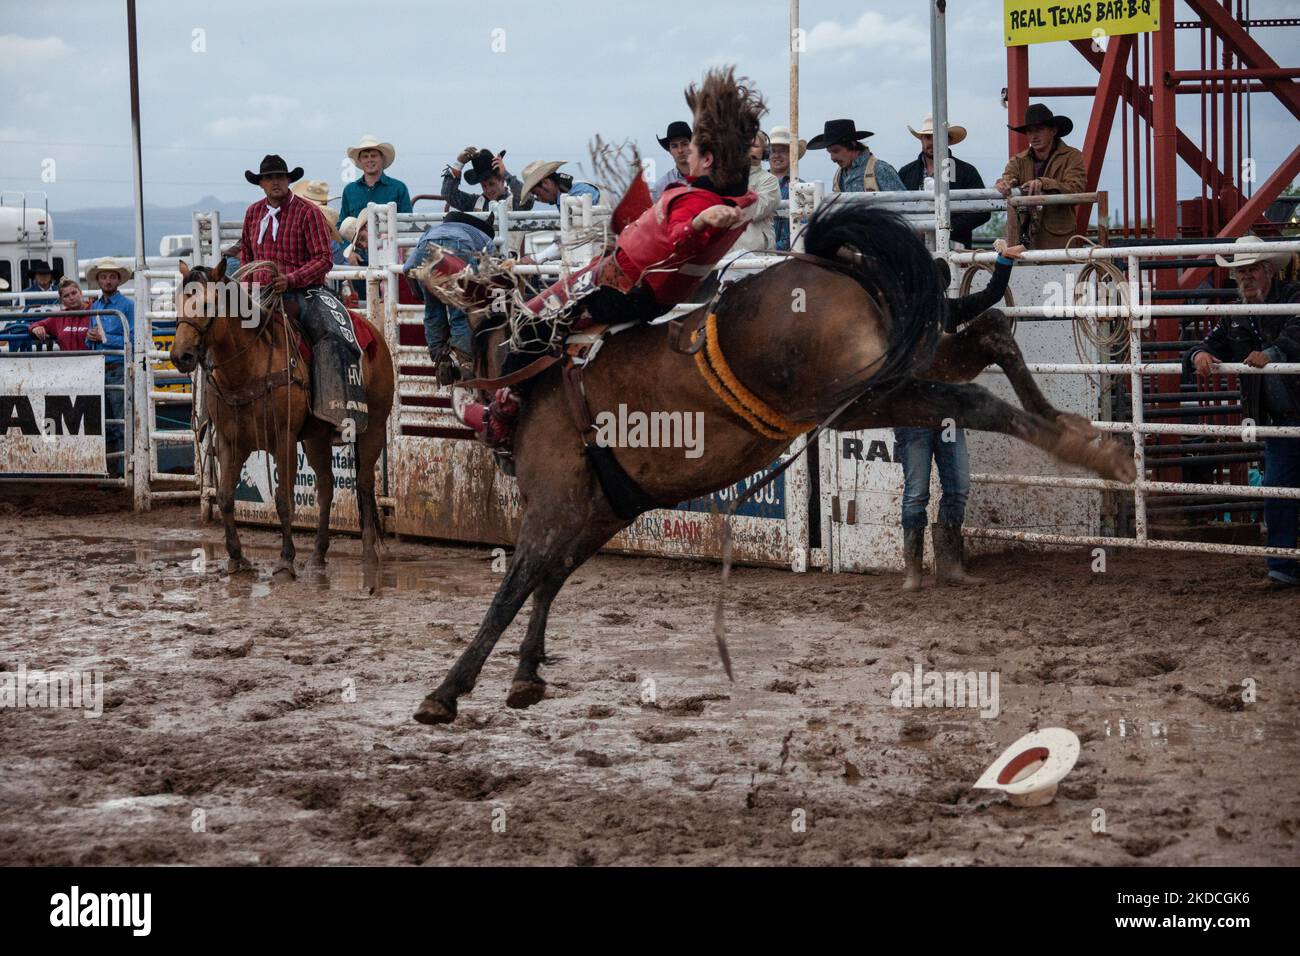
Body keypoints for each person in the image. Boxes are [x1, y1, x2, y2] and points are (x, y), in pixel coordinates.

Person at [454, 68, 765, 461]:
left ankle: (499, 419)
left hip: (621, 286)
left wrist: (703, 222)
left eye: (694, 149)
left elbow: (683, 233)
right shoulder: (740, 197)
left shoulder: (697, 203)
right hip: (637, 283)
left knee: (531, 323)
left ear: (707, 159)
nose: (685, 154)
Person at [896, 238, 1024, 590]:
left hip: (925, 414)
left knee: (926, 490)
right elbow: (990, 295)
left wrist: (1003, 261)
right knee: (943, 489)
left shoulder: (905, 317)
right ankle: (939, 568)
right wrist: (1002, 261)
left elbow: (990, 296)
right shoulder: (938, 312)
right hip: (933, 414)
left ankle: (920, 572)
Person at [1188, 237, 1300, 588]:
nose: (1245, 278)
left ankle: (1283, 567)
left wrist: (1273, 352)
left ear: (1268, 271)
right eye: (1239, 272)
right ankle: (1282, 568)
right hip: (1279, 419)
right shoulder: (1237, 315)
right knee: (1277, 489)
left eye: (1251, 270)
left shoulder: (1293, 297)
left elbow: (1297, 333)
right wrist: (1198, 355)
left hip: (1282, 413)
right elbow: (1210, 341)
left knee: (1279, 488)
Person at [238, 153, 367, 431]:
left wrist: (292, 279)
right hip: (259, 294)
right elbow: (246, 256)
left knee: (328, 334)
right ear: (261, 184)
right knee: (221, 334)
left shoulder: (308, 213)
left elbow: (323, 258)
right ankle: (222, 414)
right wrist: (247, 286)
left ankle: (335, 410)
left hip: (302, 293)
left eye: (280, 177)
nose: (275, 182)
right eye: (269, 178)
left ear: (288, 181)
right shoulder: (253, 213)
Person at [402, 209, 496, 384]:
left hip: (426, 252)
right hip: (459, 249)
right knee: (461, 310)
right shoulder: (482, 236)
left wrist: (418, 290)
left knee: (433, 311)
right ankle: (466, 361)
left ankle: (440, 358)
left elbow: (408, 266)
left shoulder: (432, 231)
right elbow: (489, 263)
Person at [994, 104, 1086, 250]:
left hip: (1058, 243)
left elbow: (1077, 189)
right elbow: (1007, 178)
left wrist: (1044, 183)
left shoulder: (1072, 157)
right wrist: (1002, 184)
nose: (1033, 136)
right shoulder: (1018, 161)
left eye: (1039, 130)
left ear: (1053, 131)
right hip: (1023, 240)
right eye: (1029, 131)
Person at [897, 115, 990, 248]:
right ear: (921, 140)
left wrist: (947, 228)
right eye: (927, 137)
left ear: (948, 140)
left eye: (937, 137)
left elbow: (983, 212)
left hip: (955, 246)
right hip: (915, 247)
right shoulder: (906, 172)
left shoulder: (966, 171)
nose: (932, 142)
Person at [83, 257, 136, 476]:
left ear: (118, 281)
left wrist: (104, 338)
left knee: (121, 422)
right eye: (104, 277)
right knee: (108, 424)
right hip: (101, 369)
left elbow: (132, 338)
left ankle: (124, 471)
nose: (107, 280)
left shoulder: (127, 306)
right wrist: (90, 337)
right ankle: (113, 470)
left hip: (117, 368)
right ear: (99, 280)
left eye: (111, 277)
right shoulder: (95, 307)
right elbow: (90, 341)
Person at [337, 134, 412, 263]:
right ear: (360, 161)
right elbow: (341, 226)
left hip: (391, 254)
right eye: (365, 156)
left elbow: (408, 224)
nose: (369, 160)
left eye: (373, 156)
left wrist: (401, 253)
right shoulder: (349, 190)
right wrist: (348, 253)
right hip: (358, 255)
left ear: (382, 158)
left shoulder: (399, 188)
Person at [807, 118, 905, 193]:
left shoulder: (880, 170)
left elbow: (903, 206)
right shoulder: (839, 176)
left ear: (852, 144)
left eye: (836, 151)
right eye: (830, 152)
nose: (833, 158)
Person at [731, 131, 780, 254]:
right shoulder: (725, 178)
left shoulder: (769, 180)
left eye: (754, 146)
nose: (748, 149)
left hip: (757, 255)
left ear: (764, 152)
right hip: (726, 254)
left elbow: (755, 212)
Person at [442, 147, 528, 214]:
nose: (488, 190)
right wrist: (458, 164)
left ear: (502, 179)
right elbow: (449, 195)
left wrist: (505, 174)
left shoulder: (515, 202)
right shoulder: (475, 202)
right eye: (484, 186)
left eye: (491, 184)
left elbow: (528, 200)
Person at [768, 126, 805, 251]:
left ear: (791, 154)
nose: (777, 155)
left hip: (792, 254)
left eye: (783, 151)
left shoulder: (802, 187)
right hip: (758, 250)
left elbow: (803, 226)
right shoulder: (754, 184)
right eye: (773, 151)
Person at [27, 278, 92, 351]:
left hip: (95, 359)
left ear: (80, 293)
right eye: (66, 296)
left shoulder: (95, 309)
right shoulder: (59, 317)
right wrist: (35, 328)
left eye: (74, 293)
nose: (71, 298)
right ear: (61, 300)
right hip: (67, 360)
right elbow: (35, 325)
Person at [651, 120, 692, 201]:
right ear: (669, 150)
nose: (680, 150)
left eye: (684, 144)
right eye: (674, 146)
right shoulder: (661, 186)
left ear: (693, 145)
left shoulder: (709, 177)